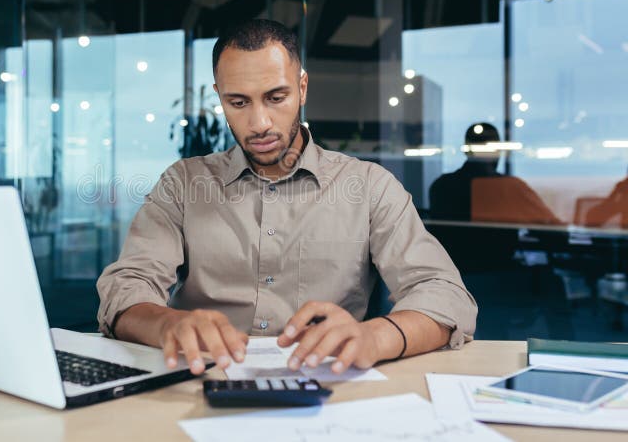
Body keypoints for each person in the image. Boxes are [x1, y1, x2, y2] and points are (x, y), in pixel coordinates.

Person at [97, 19, 477, 376]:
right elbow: (127, 286)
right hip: (200, 381)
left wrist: (375, 337)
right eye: (239, 102)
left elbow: (444, 294)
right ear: (219, 97)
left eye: (275, 97)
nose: (259, 123)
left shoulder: (370, 187)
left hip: (329, 384)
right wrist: (167, 324)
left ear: (303, 88)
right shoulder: (183, 183)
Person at [430, 123, 561, 225]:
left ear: (466, 150)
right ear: (498, 151)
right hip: (497, 259)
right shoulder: (510, 187)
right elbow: (552, 229)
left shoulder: (441, 186)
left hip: (446, 260)